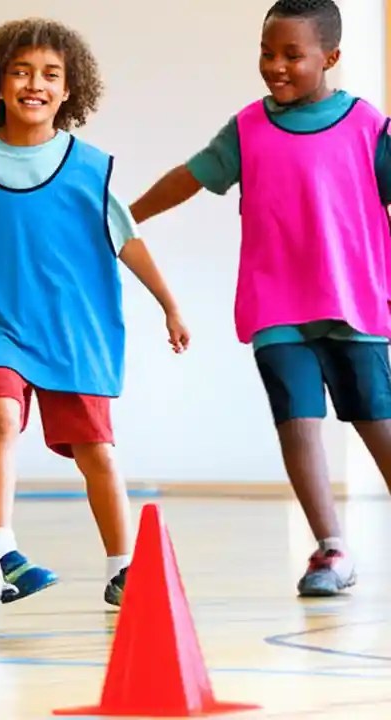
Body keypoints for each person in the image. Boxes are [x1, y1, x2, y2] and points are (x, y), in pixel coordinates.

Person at [0, 18, 190, 607]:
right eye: (21, 71)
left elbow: (128, 241)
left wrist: (169, 304)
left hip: (70, 332)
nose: (35, 83)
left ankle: (123, 566)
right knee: (1, 418)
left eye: (50, 75)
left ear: (68, 90)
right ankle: (3, 552)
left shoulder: (90, 168)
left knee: (98, 453)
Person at [131, 0, 391, 597]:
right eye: (267, 53)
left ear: (331, 57)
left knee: (375, 421)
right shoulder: (248, 128)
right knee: (296, 423)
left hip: (353, 301)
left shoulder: (365, 125)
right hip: (277, 305)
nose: (276, 65)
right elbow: (190, 176)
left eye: (291, 55)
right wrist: (124, 218)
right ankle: (331, 548)